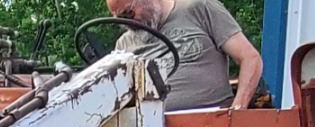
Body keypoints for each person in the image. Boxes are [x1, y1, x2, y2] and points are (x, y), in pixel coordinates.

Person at [107, 0, 265, 111]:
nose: (127, 23)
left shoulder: (199, 8)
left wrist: (238, 109)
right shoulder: (124, 45)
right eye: (120, 20)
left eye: (128, 13)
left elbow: (250, 58)